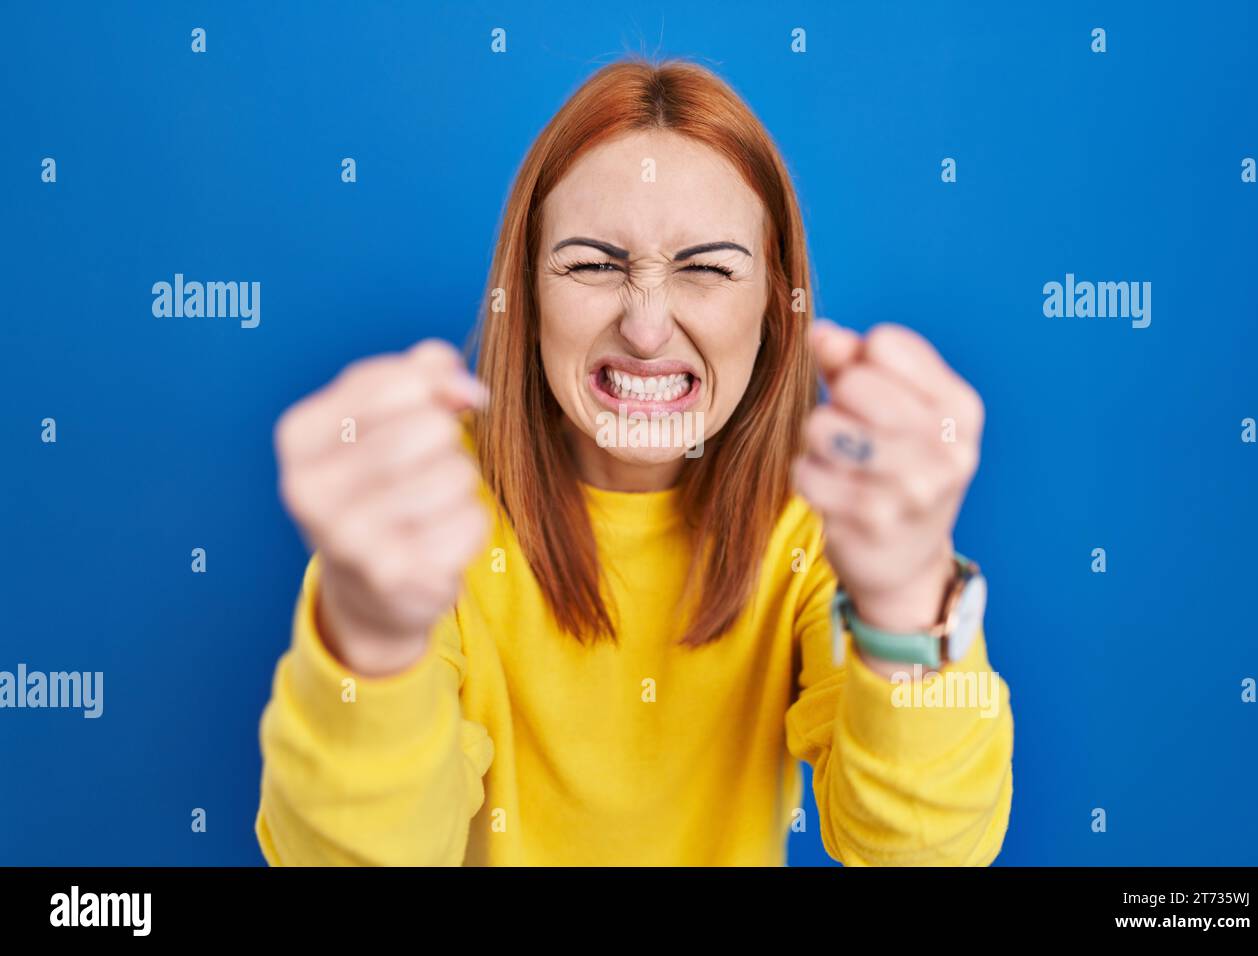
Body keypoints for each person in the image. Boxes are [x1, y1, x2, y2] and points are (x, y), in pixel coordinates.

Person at [255, 57, 1013, 866]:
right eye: (592, 264)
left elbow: (925, 856)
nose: (646, 327)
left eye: (708, 268)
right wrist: (372, 638)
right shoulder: (425, 515)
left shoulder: (826, 519)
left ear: (774, 307)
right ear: (528, 295)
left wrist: (904, 597)